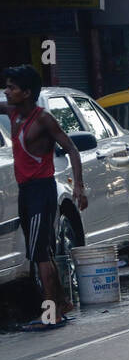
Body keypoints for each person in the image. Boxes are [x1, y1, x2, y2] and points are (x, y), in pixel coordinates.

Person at [3, 65, 88, 330]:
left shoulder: (44, 119)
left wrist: (79, 187)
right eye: (6, 86)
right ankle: (61, 303)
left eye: (12, 88)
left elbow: (72, 149)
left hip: (42, 190)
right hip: (26, 191)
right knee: (41, 251)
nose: (7, 91)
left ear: (27, 93)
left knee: (40, 253)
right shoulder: (13, 112)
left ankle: (53, 314)